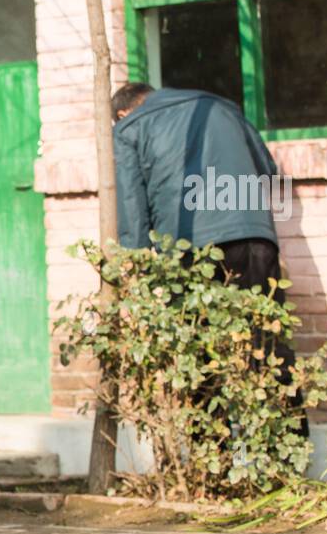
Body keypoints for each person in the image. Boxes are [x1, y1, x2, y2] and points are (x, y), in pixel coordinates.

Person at [111, 82, 305, 433]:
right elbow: (268, 171)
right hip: (254, 236)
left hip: (189, 248)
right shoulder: (224, 107)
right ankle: (288, 448)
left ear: (123, 113)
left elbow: (131, 208)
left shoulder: (129, 127)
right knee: (268, 344)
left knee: (198, 355)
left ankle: (213, 455)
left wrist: (136, 272)